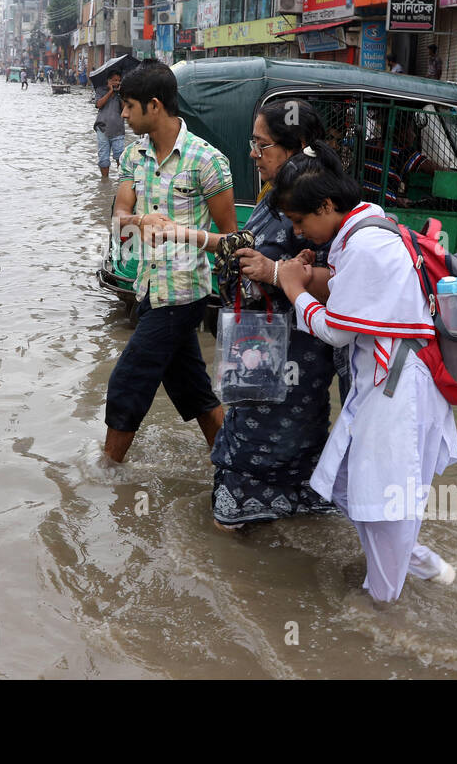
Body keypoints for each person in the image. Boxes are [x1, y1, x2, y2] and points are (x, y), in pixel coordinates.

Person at [274, 144, 457, 602]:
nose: (299, 232)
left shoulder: (367, 245)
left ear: (326, 206)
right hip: (386, 383)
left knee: (385, 502)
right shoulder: (364, 229)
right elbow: (343, 288)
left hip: (398, 389)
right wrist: (308, 275)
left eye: (301, 221)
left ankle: (386, 612)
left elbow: (336, 331)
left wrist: (295, 289)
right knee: (350, 484)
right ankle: (414, 567)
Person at [206, 100, 342, 531]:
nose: (253, 154)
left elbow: (335, 279)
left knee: (282, 446)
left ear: (298, 147)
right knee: (245, 431)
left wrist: (274, 271)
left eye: (261, 145)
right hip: (257, 348)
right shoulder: (272, 197)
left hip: (295, 360)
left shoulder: (321, 207)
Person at [103, 62, 237, 464]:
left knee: (127, 383)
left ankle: (106, 472)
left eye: (129, 106)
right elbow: (119, 221)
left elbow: (232, 242)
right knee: (194, 390)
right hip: (147, 289)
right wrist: (140, 221)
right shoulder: (133, 157)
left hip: (182, 295)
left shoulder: (206, 161)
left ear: (154, 106)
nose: (122, 114)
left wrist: (182, 234)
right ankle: (232, 463)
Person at [93, 69, 127, 180]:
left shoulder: (122, 93)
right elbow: (98, 104)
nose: (116, 82)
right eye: (114, 80)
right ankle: (105, 182)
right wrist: (110, 91)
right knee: (103, 159)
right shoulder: (101, 90)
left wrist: (120, 93)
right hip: (102, 129)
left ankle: (121, 181)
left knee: (120, 157)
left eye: (118, 80)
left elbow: (125, 108)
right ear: (108, 81)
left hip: (118, 129)